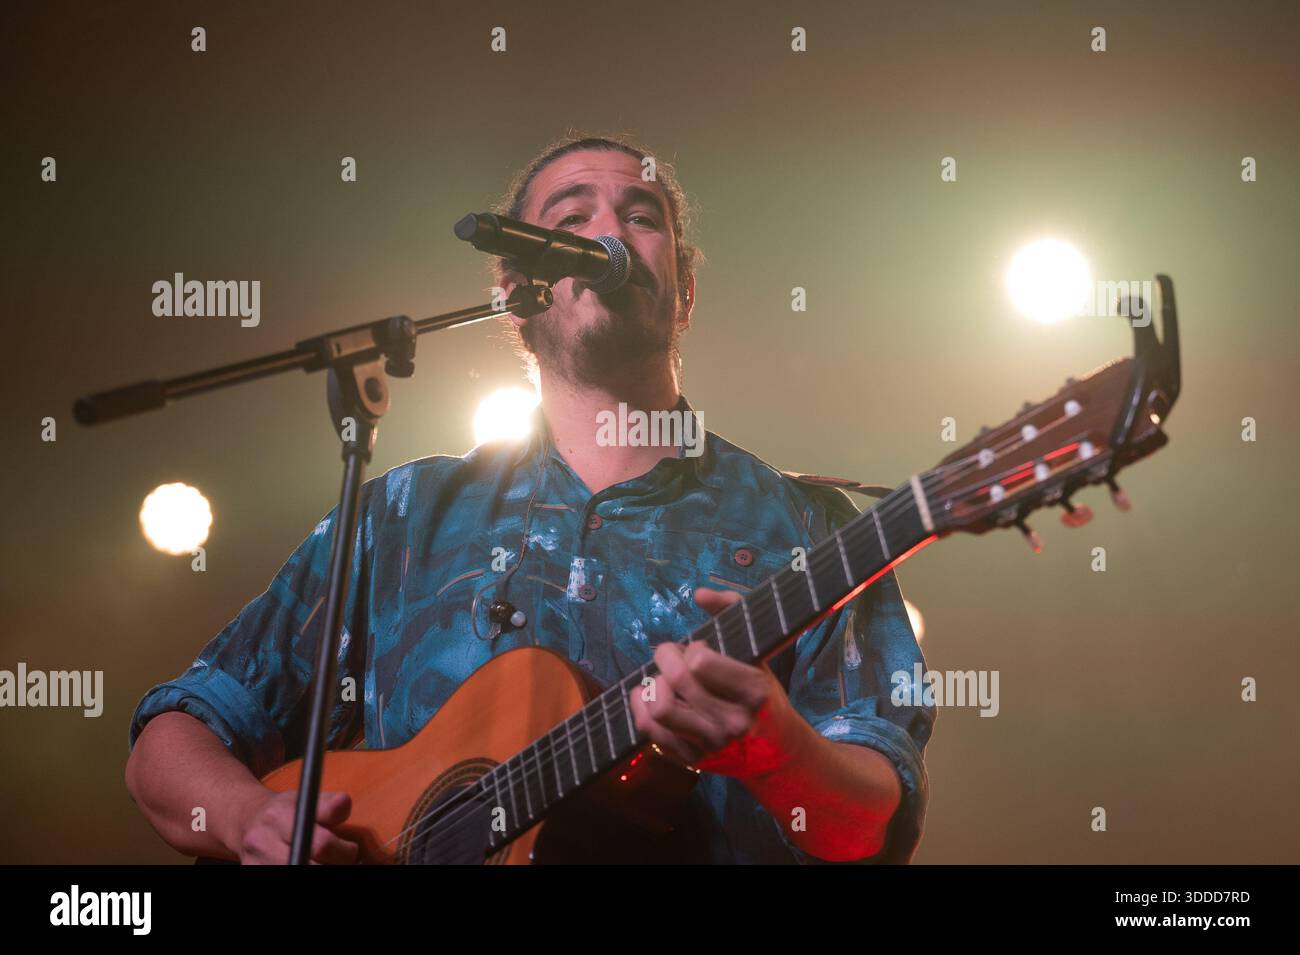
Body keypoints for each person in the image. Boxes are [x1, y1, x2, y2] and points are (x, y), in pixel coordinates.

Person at [125, 132, 936, 864]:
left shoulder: (809, 530)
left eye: (641, 216)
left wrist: (778, 749)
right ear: (516, 292)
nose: (608, 234)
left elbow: (867, 827)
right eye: (572, 217)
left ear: (683, 289)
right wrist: (247, 818)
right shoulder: (401, 514)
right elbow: (175, 738)